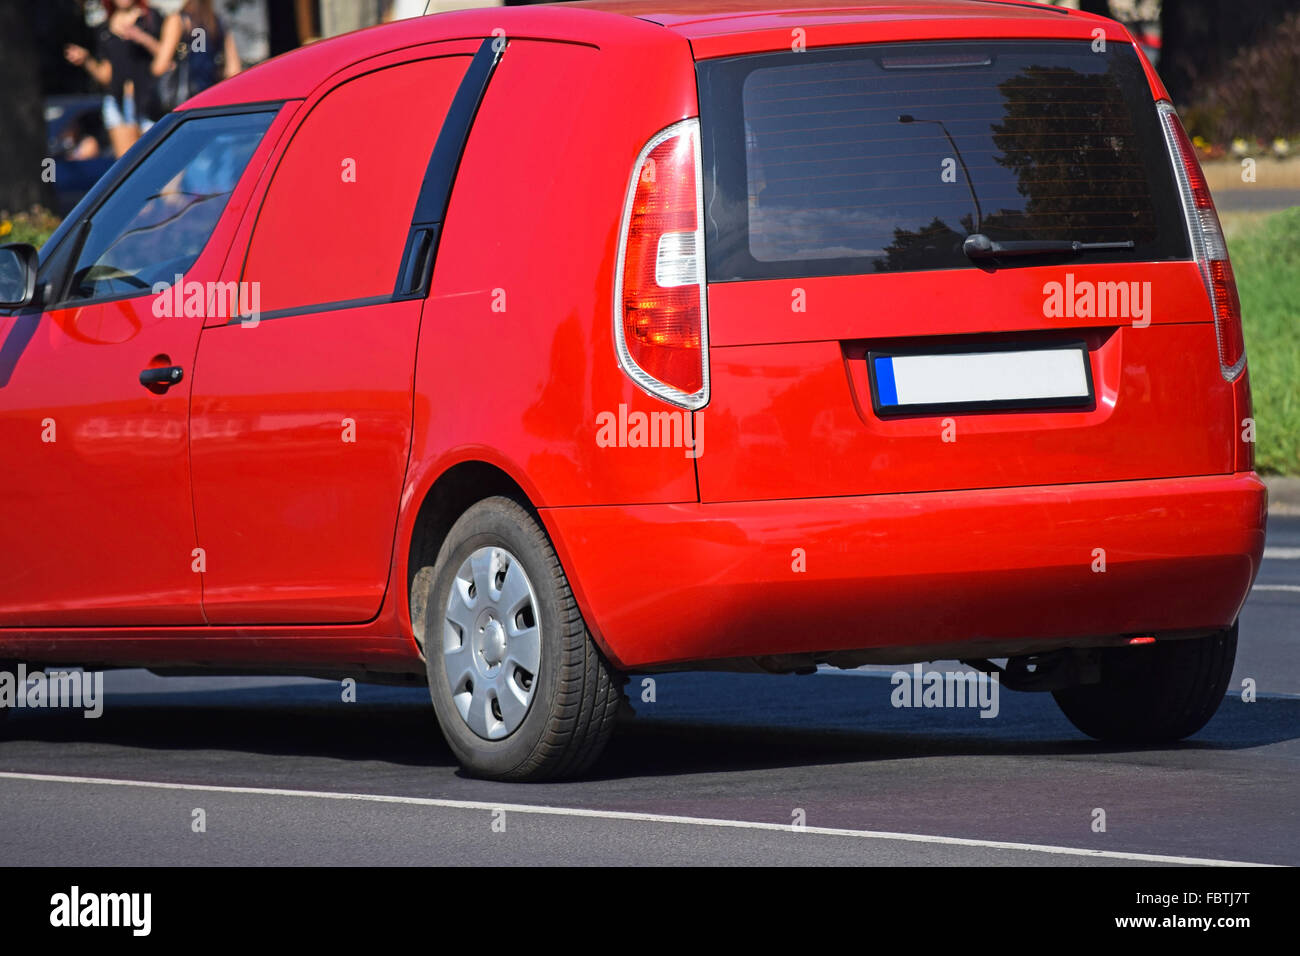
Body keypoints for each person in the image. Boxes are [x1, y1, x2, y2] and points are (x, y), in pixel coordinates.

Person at [64, 0, 165, 159]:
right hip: (117, 103)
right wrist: (87, 60)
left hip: (148, 102)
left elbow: (166, 58)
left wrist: (141, 38)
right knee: (127, 165)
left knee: (156, 160)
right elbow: (106, 76)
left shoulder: (150, 18)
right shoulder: (105, 28)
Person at [152, 0, 242, 103]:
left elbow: (160, 66)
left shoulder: (179, 20)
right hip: (211, 96)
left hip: (184, 101)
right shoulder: (217, 22)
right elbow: (234, 70)